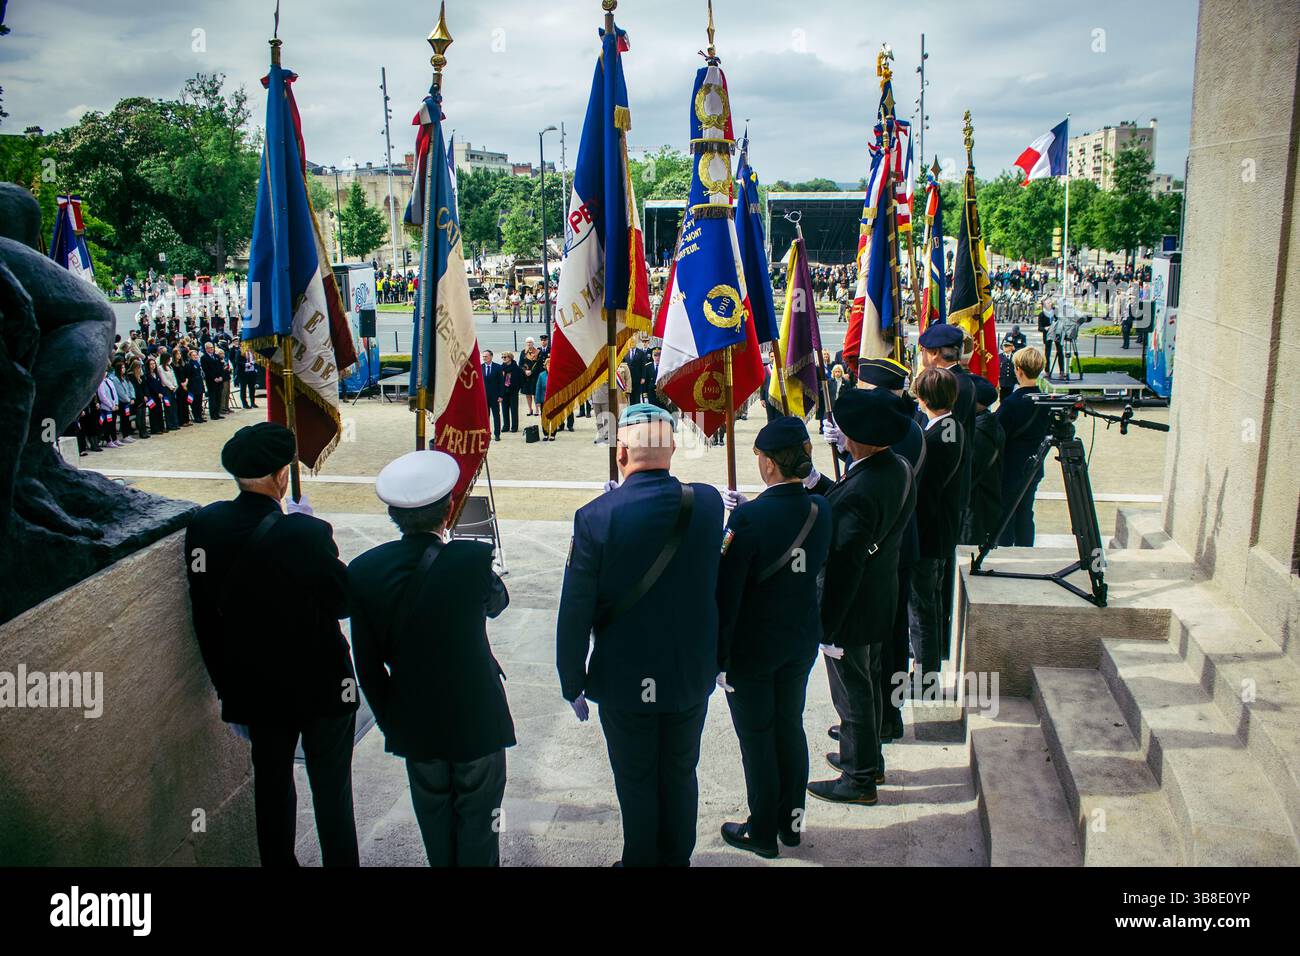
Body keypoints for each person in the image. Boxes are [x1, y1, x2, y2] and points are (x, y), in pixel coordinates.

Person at [556, 403, 724, 866]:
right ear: (671, 448)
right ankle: (676, 859)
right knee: (680, 772)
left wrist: (572, 678)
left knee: (635, 779)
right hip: (689, 671)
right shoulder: (708, 503)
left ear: (621, 453)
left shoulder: (594, 516)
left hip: (625, 676)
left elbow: (576, 608)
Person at [185, 423, 360, 867]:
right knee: (332, 793)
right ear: (283, 476)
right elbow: (343, 601)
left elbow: (205, 618)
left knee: (271, 789)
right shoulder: (305, 533)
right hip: (322, 685)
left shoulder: (204, 526)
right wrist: (310, 534)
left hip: (256, 688)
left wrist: (228, 691)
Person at [348, 450, 515, 867]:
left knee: (435, 823)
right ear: (449, 510)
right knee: (480, 825)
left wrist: (395, 721)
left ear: (393, 515)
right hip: (476, 715)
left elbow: (367, 668)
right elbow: (498, 603)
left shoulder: (364, 570)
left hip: (415, 721)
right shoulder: (472, 559)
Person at [714, 418, 832, 858]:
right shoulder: (822, 509)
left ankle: (761, 830)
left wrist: (718, 657)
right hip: (799, 640)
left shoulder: (748, 518)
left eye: (760, 457)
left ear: (769, 464)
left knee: (758, 738)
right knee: (789, 728)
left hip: (753, 649)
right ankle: (791, 823)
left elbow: (728, 594)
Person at [807, 388, 916, 805]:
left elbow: (845, 561)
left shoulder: (863, 487)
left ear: (863, 439)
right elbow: (855, 502)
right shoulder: (895, 466)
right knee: (866, 686)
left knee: (851, 693)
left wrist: (828, 625)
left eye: (848, 432)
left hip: (851, 609)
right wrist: (818, 484)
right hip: (879, 598)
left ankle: (860, 779)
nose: (842, 437)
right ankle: (866, 758)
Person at [908, 366, 964, 683]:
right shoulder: (951, 427)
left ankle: (925, 673)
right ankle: (928, 663)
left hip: (928, 536)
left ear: (925, 398)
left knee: (922, 607)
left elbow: (925, 496)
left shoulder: (933, 438)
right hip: (942, 531)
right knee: (929, 602)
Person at [997, 346, 1050, 546]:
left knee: (1007, 511)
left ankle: (1004, 549)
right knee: (1026, 510)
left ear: (1018, 370)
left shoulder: (1012, 402)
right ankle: (1026, 547)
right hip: (1035, 465)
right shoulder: (1047, 401)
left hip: (1012, 465)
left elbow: (999, 432)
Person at [965, 376, 1006, 547]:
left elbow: (970, 472)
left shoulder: (981, 432)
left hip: (977, 510)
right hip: (983, 506)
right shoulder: (988, 423)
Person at [480, 349, 503, 441]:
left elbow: (501, 383)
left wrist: (501, 396)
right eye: (483, 356)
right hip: (484, 397)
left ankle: (497, 434)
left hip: (495, 397)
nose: (484, 358)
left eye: (486, 356)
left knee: (496, 416)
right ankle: (486, 434)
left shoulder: (497, 367)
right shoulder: (480, 367)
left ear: (491, 356)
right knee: (485, 417)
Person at [201, 341, 226, 420]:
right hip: (211, 380)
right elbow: (206, 370)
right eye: (210, 348)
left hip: (219, 379)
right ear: (206, 349)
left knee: (218, 397)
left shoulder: (216, 356)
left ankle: (217, 413)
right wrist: (214, 378)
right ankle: (213, 414)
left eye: (212, 347)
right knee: (213, 398)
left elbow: (221, 367)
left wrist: (221, 376)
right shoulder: (204, 358)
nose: (211, 349)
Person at [499, 351, 521, 433]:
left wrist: (517, 388)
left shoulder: (516, 368)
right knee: (504, 409)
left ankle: (514, 427)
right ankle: (506, 426)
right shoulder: (501, 368)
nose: (503, 359)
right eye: (502, 357)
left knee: (514, 410)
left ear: (510, 358)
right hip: (504, 391)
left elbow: (521, 379)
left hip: (513, 391)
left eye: (505, 357)